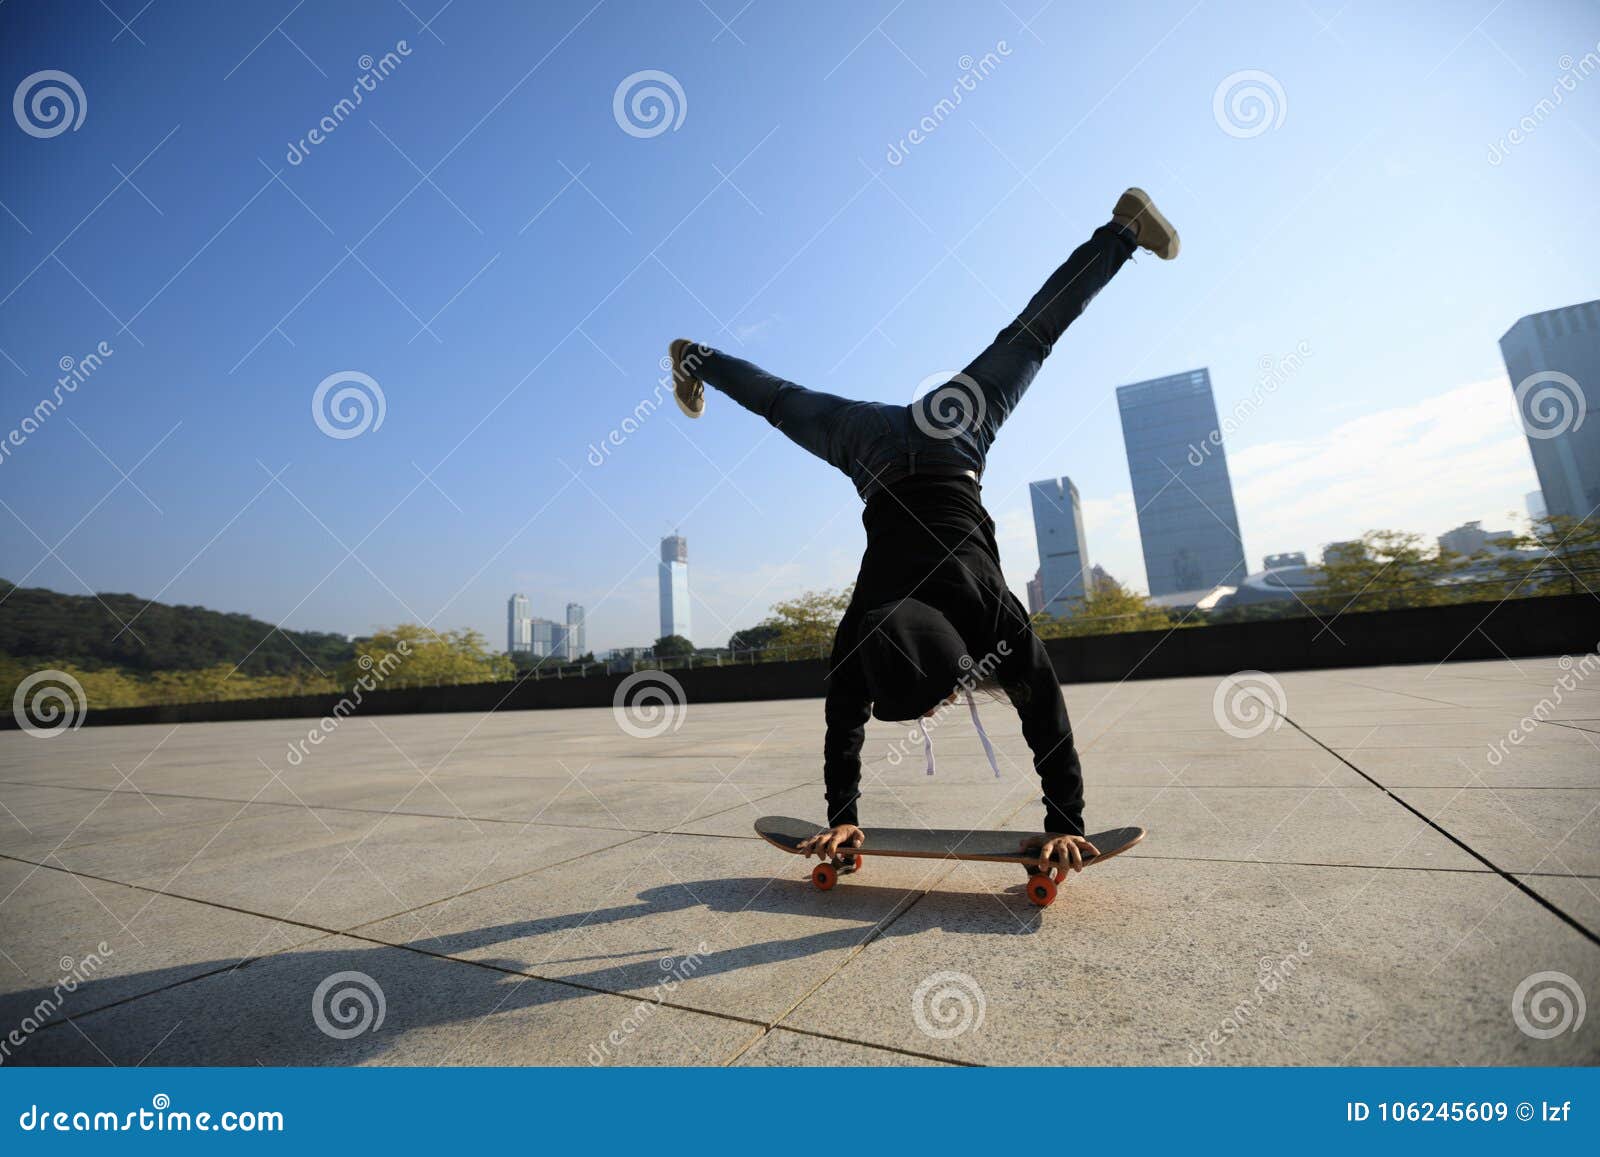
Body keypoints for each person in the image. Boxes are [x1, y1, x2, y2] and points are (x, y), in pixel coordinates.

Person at [668, 188, 1179, 881]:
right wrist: (843, 811)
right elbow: (845, 726)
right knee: (797, 397)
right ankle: (1121, 230)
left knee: (1026, 340)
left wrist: (1067, 820)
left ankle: (1122, 232)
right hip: (877, 449)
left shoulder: (978, 614)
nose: (945, 703)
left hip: (951, 440)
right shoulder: (864, 630)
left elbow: (1043, 710)